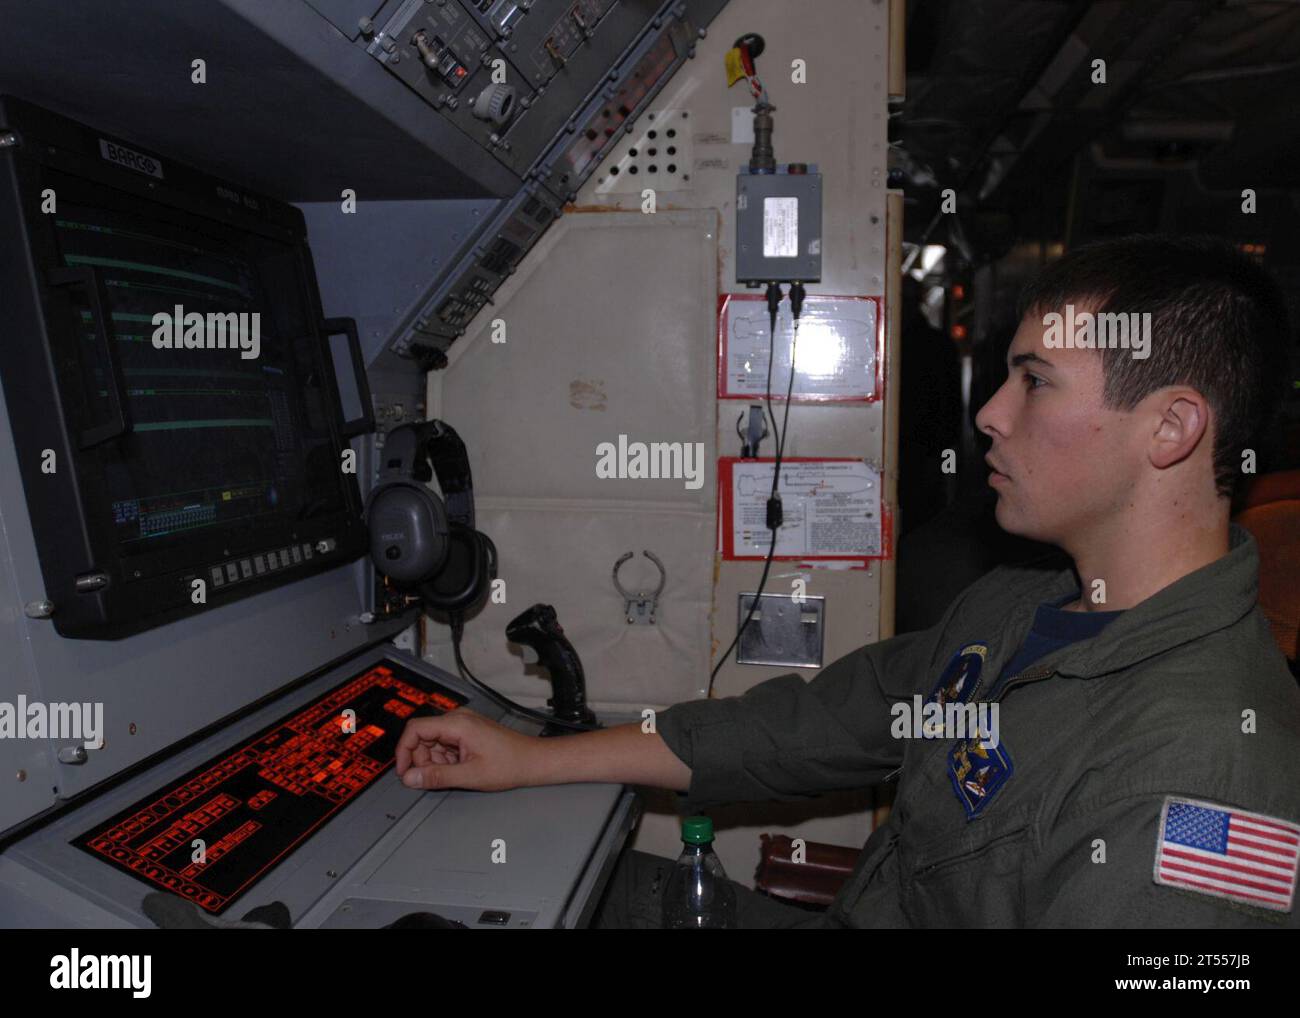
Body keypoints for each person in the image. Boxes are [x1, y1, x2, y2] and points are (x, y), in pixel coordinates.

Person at [395, 235, 1300, 928]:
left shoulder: (1210, 777)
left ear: (1172, 429)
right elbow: (809, 728)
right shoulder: (1020, 606)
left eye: (1034, 382)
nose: (989, 414)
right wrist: (528, 762)